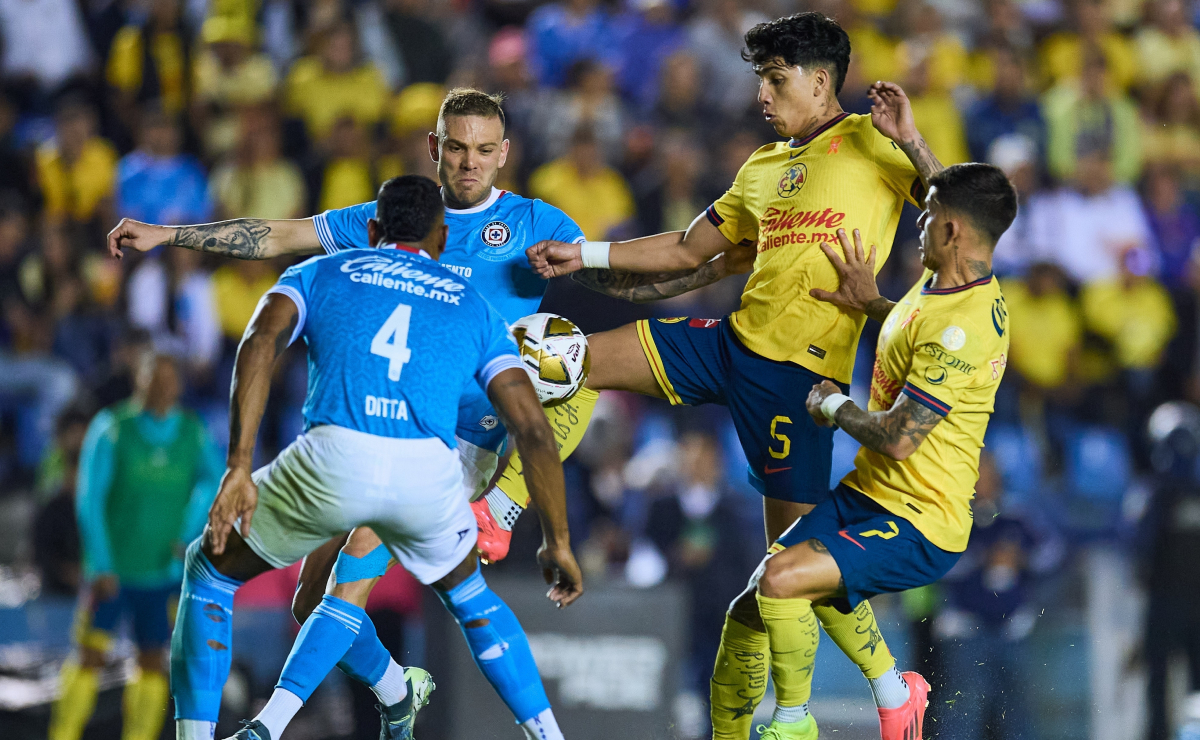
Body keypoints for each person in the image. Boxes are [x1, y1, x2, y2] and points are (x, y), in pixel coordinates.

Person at [525, 12, 943, 739]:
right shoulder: (762, 167)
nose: (763, 96)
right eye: (761, 81)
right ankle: (498, 514)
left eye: (776, 80)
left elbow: (958, 224)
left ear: (820, 82)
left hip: (798, 384)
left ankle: (877, 692)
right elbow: (689, 251)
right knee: (572, 357)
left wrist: (914, 142)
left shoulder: (875, 144)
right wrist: (586, 255)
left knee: (794, 570)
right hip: (730, 345)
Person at [168, 175, 582, 740]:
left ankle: (246, 729)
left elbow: (260, 343)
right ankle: (508, 723)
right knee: (463, 600)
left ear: (370, 231)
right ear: (441, 239)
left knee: (210, 571)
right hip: (426, 473)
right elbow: (533, 429)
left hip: (334, 460)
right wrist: (555, 539)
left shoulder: (319, 272)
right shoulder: (474, 309)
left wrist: (239, 466)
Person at [782, 162, 1016, 738]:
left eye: (929, 211)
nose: (920, 217)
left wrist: (832, 406)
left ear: (953, 230)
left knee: (783, 582)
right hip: (870, 491)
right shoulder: (946, 280)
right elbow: (918, 326)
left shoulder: (962, 326)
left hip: (920, 517)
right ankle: (892, 692)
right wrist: (872, 303)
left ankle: (793, 724)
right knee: (759, 594)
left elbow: (899, 438)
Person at [49, 351, 224, 740]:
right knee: (89, 658)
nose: (162, 387)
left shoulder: (192, 432)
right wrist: (99, 564)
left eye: (170, 379)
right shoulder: (112, 428)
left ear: (179, 384)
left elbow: (214, 481)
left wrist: (189, 530)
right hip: (113, 572)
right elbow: (89, 499)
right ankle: (62, 734)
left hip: (164, 574)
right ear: (138, 380)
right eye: (153, 378)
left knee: (152, 662)